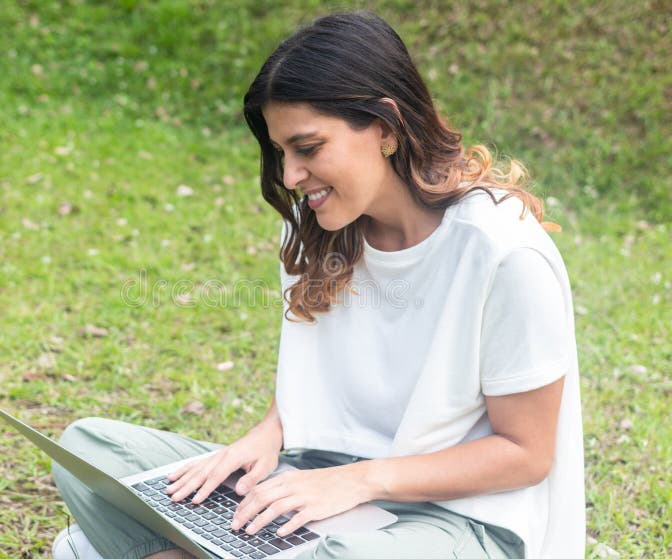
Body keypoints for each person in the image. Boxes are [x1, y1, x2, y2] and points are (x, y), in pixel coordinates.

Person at [51, 11, 584, 559]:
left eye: (307, 148)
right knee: (90, 449)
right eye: (282, 152)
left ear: (385, 127)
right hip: (315, 487)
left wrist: (360, 481)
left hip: (457, 519)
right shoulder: (315, 229)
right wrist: (267, 434)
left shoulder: (501, 252)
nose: (289, 177)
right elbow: (326, 374)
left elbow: (525, 453)